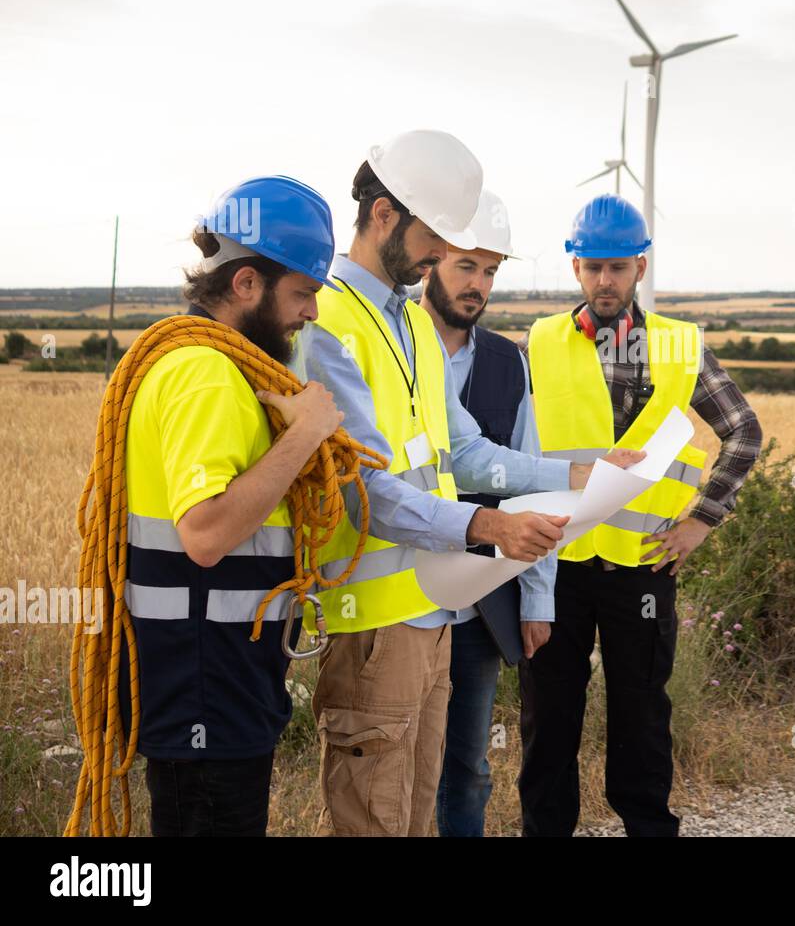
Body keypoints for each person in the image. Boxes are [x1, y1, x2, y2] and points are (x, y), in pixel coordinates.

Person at [295, 133, 641, 836]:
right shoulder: (328, 323)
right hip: (371, 624)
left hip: (434, 614)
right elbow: (366, 490)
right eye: (439, 240)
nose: (440, 260)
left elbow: (466, 453)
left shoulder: (409, 326)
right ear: (386, 214)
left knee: (422, 815)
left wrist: (577, 474)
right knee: (377, 821)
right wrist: (486, 527)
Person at [518, 193, 762, 837]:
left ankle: (649, 829)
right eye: (593, 266)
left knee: (641, 717)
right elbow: (508, 447)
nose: (605, 280)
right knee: (548, 719)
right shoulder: (539, 344)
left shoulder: (680, 348)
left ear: (640, 269)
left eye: (618, 267)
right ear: (574, 268)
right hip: (556, 564)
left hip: (642, 569)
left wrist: (701, 522)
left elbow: (743, 431)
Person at [124, 176, 344, 836]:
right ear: (246, 283)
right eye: (303, 293)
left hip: (217, 683)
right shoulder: (207, 374)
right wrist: (307, 433)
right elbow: (206, 532)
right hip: (205, 689)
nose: (312, 313)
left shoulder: (214, 364)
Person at [416, 188, 552, 837]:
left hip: (478, 604)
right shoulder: (393, 350)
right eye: (467, 265)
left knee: (465, 767)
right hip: (399, 593)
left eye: (492, 270)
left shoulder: (509, 363)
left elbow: (529, 481)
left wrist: (538, 598)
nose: (480, 285)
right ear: (429, 258)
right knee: (396, 760)